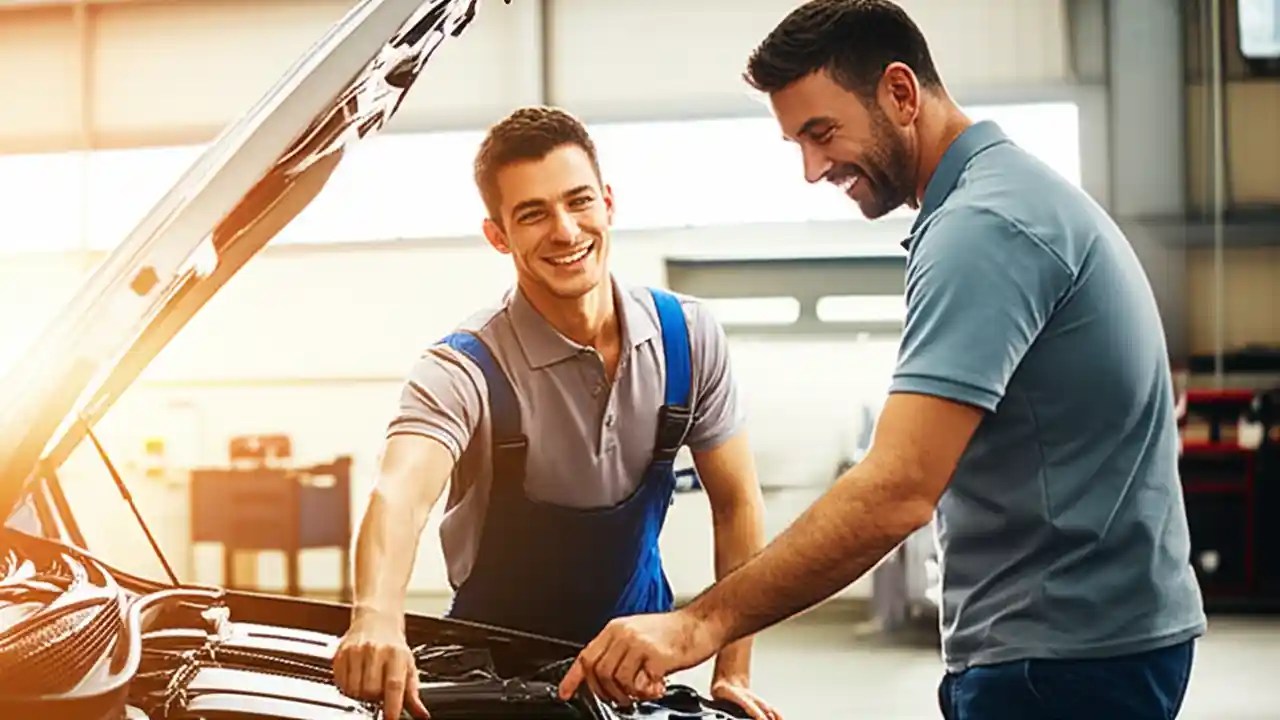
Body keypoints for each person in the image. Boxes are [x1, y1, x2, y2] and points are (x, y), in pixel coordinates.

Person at [556, 1, 1207, 718]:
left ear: (900, 92)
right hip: (1085, 643)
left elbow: (899, 488)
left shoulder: (983, 227)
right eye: (796, 143)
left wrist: (696, 625)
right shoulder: (1011, 197)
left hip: (1059, 662)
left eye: (821, 132)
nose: (812, 169)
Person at [331, 106, 780, 720]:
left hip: (633, 677)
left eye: (579, 201)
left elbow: (737, 505)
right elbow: (400, 495)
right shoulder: (464, 367)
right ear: (498, 236)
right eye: (533, 213)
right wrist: (376, 617)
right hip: (494, 679)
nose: (565, 231)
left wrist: (733, 671)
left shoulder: (688, 339)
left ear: (608, 203)